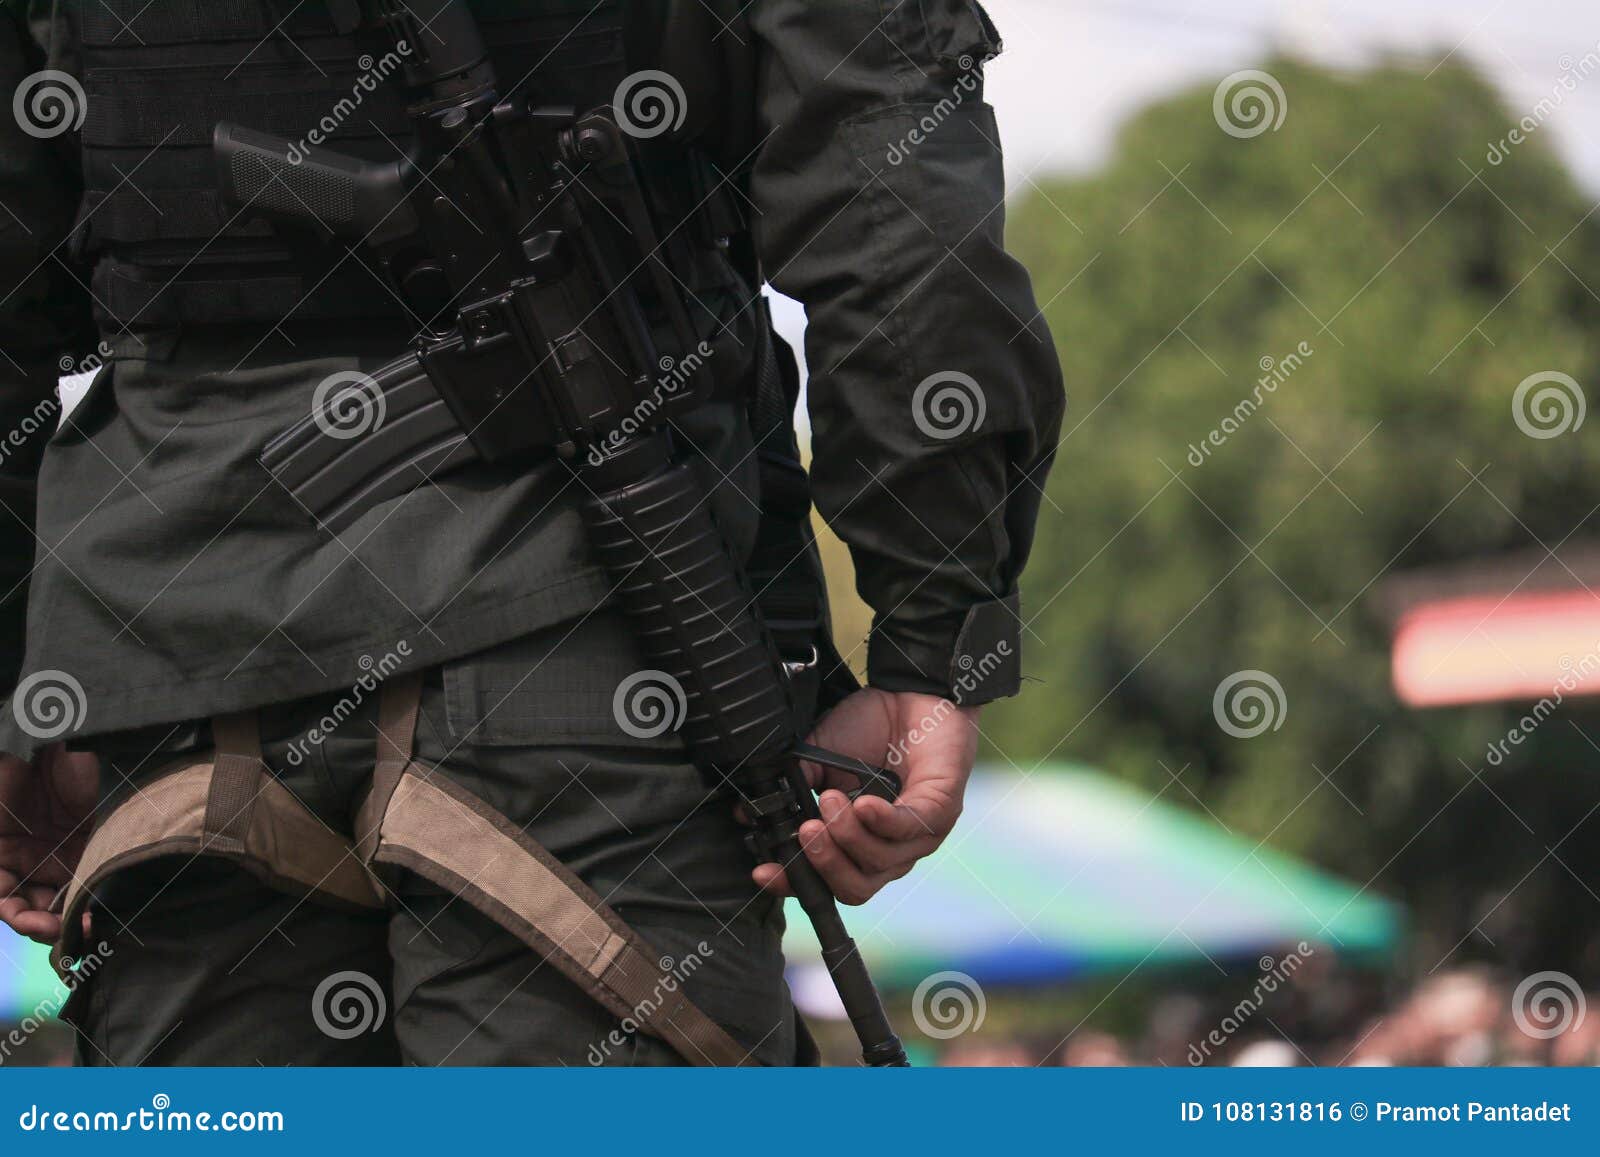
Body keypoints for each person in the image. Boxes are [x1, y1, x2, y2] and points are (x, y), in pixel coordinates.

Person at [0, 0, 1064, 1066]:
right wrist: (936, 635)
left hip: (178, 650)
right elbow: (892, 196)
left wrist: (19, 688)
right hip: (586, 653)